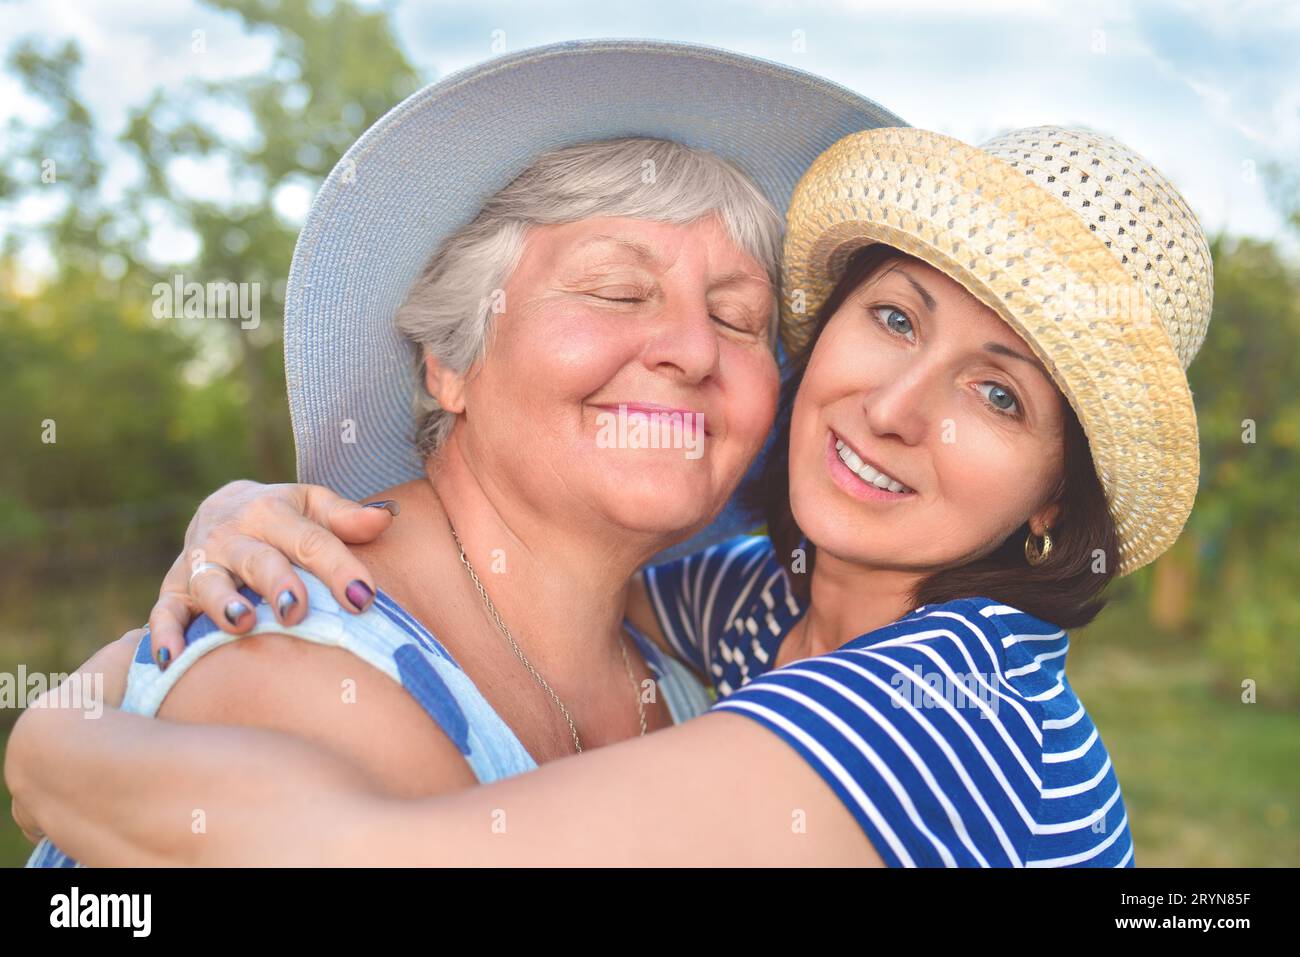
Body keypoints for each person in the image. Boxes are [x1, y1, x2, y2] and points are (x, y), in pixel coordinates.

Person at [8, 123, 1213, 867]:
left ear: (1056, 502)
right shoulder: (737, 607)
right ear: (447, 358)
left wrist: (51, 738)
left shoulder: (944, 713)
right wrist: (221, 533)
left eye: (1000, 397)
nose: (897, 407)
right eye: (893, 317)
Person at [7, 39, 905, 867]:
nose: (693, 349)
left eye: (735, 316)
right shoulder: (291, 661)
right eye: (618, 290)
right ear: (449, 362)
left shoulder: (717, 660)